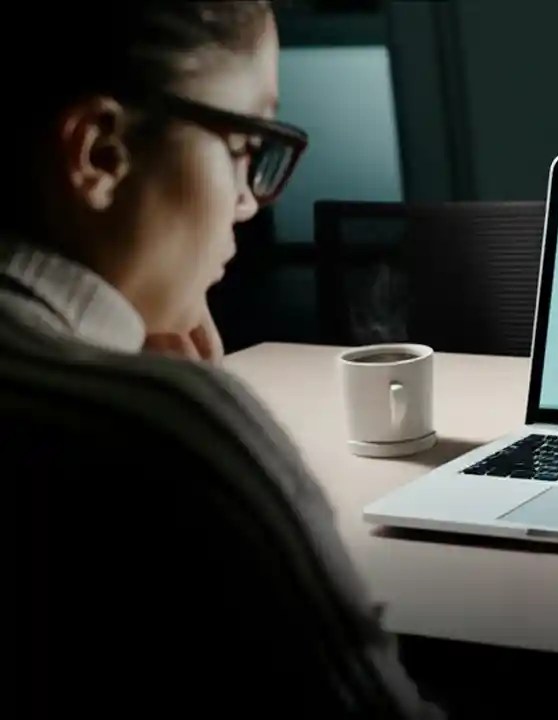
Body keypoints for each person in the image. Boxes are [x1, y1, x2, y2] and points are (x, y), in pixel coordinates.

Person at [2, 3, 442, 717]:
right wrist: (183, 407)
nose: (246, 204)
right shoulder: (172, 436)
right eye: (245, 145)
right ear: (100, 153)